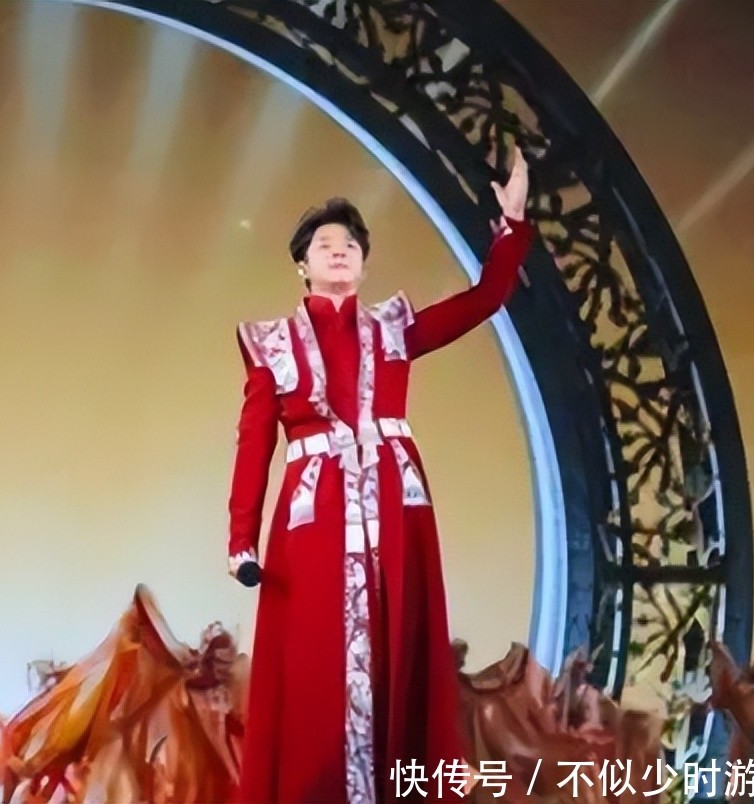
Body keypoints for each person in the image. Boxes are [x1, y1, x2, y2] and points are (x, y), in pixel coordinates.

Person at [227, 151, 532, 802]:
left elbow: (485, 299)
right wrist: (242, 540)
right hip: (314, 516)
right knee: (312, 663)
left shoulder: (395, 330)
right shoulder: (272, 345)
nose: (339, 252)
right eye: (324, 245)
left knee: (402, 648)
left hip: (394, 509)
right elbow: (254, 442)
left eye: (351, 246)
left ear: (364, 264)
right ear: (302, 264)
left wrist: (511, 228)